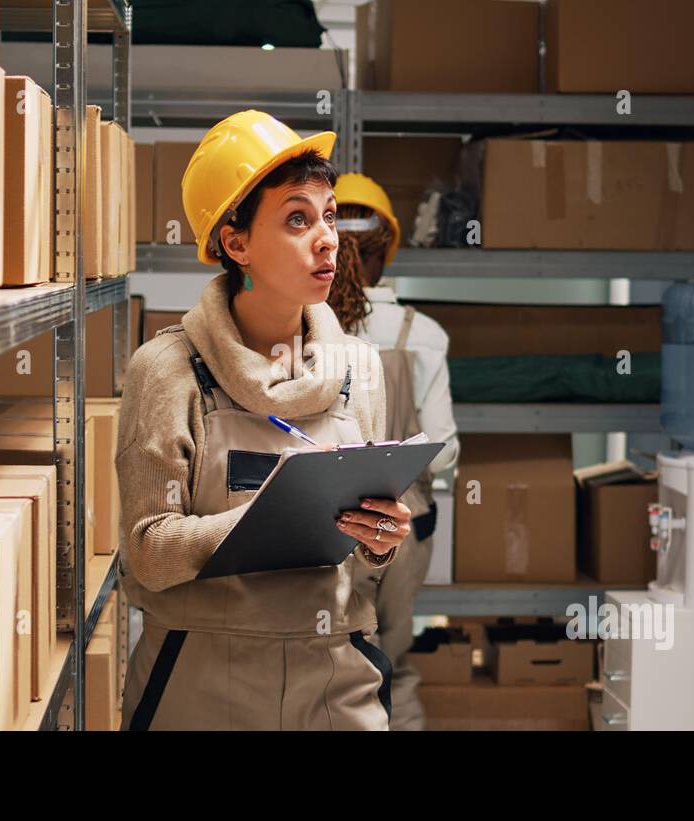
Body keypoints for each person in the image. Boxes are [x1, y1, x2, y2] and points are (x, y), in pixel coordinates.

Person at [115, 111, 412, 730]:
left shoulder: (360, 368)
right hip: (199, 678)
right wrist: (267, 521)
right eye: (297, 218)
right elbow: (147, 551)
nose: (328, 238)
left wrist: (381, 540)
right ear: (236, 242)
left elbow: (362, 550)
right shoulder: (167, 370)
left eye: (329, 214)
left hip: (335, 676)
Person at [327, 173, 460, 731]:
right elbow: (445, 453)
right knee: (394, 664)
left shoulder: (310, 327)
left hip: (328, 525)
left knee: (331, 658)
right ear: (389, 250)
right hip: (407, 526)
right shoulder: (422, 332)